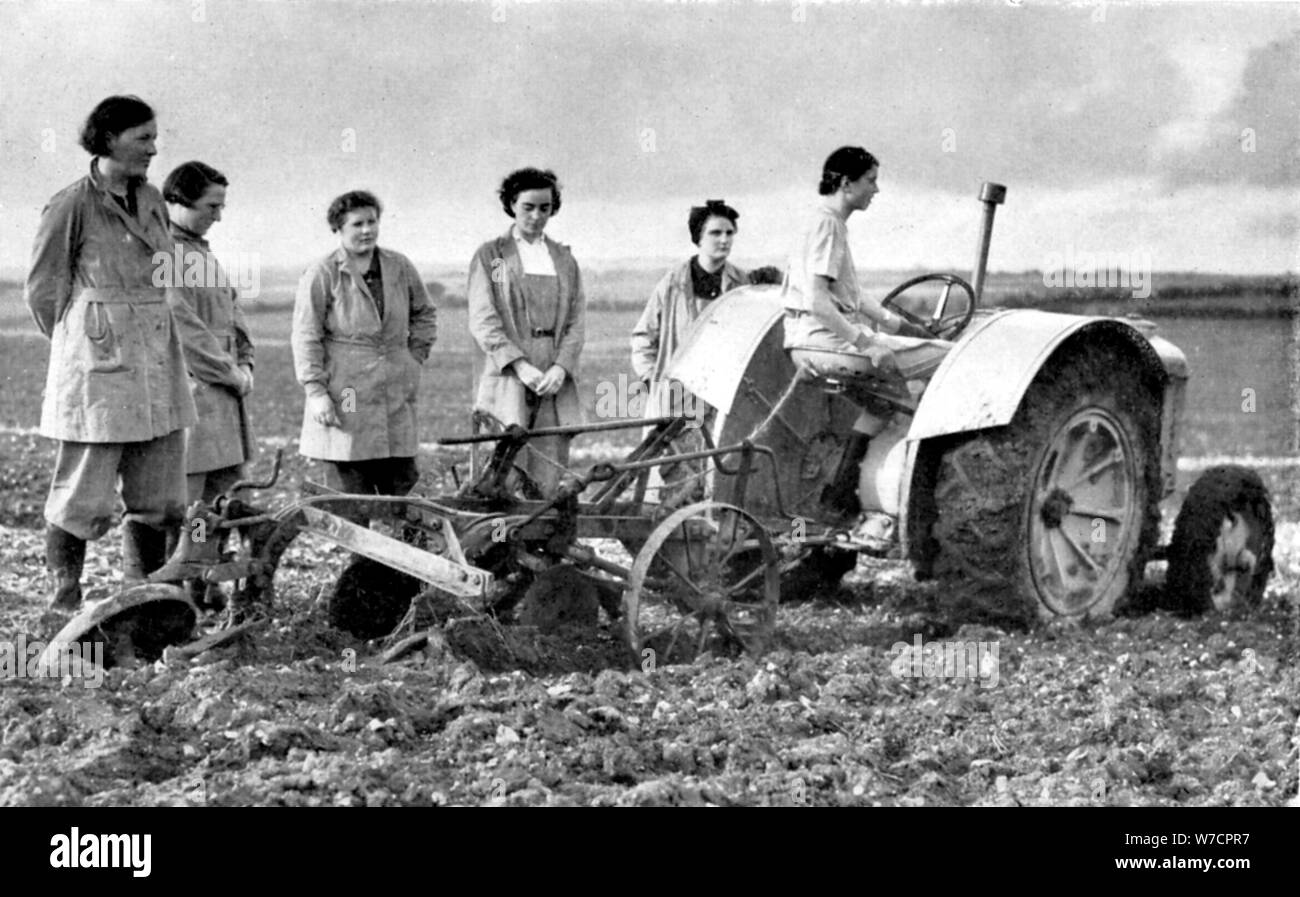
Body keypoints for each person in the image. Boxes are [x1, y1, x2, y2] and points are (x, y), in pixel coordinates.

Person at [26, 95, 198, 608]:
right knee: (84, 488)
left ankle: (142, 596)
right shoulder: (71, 204)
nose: (154, 148)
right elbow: (42, 291)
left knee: (160, 490)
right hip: (98, 367)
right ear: (108, 139)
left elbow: (168, 271)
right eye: (143, 138)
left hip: (156, 358)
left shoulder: (151, 200)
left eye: (153, 137)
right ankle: (65, 595)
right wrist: (85, 339)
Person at [783, 146, 951, 520]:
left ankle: (838, 495)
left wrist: (899, 326)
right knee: (948, 358)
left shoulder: (821, 222)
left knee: (882, 403)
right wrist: (867, 343)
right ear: (846, 183)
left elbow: (851, 296)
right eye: (871, 180)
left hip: (803, 342)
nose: (876, 190)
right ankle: (928, 490)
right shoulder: (828, 224)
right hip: (825, 341)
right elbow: (819, 302)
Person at [291, 190, 437, 519]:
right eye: (357, 224)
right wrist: (315, 391)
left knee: (406, 493)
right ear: (339, 229)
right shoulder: (322, 273)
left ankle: (412, 568)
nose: (367, 230)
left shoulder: (399, 266)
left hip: (393, 390)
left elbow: (425, 313)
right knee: (351, 496)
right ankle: (363, 570)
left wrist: (414, 357)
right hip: (346, 393)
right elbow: (306, 335)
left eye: (372, 222)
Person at [467, 167, 585, 497]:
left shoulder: (564, 259)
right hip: (509, 372)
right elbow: (483, 319)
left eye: (544, 208)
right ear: (512, 205)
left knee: (548, 466)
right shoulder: (492, 256)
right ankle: (497, 542)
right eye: (527, 207)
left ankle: (539, 541)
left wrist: (561, 367)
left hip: (553, 373)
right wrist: (520, 366)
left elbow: (577, 320)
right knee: (504, 464)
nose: (536, 216)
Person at [163, 161, 255, 508]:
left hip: (226, 394)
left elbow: (234, 315)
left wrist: (246, 365)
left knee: (228, 493)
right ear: (178, 202)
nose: (218, 217)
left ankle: (213, 560)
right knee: (188, 501)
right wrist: (230, 373)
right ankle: (183, 561)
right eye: (211, 207)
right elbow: (182, 328)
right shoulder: (165, 254)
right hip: (193, 394)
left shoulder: (201, 253)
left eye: (221, 207)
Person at [631, 199, 749, 390]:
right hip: (675, 396)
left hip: (722, 393)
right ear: (699, 238)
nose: (724, 239)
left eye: (729, 233)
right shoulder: (672, 284)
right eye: (716, 233)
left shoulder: (742, 284)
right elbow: (643, 337)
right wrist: (651, 379)